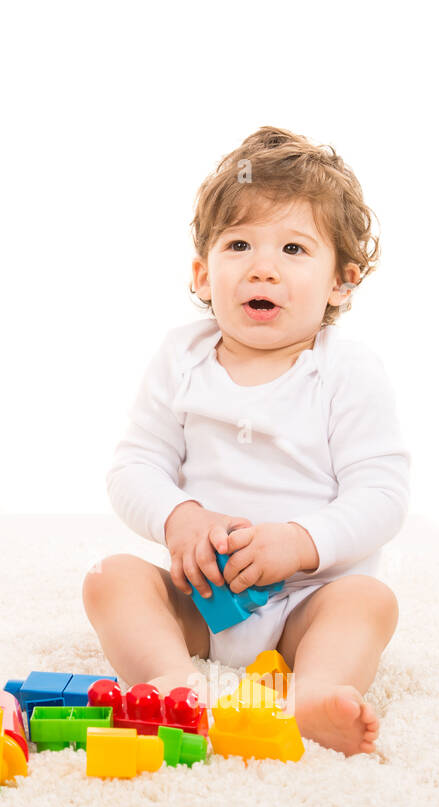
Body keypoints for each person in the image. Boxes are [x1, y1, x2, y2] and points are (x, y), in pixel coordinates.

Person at [82, 127, 410, 756]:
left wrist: (302, 544)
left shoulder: (346, 370)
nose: (263, 267)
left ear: (342, 281)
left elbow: (382, 494)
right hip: (198, 595)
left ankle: (315, 692)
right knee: (110, 578)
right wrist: (180, 518)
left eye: (293, 248)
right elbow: (135, 466)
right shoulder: (181, 356)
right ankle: (170, 683)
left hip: (307, 599)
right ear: (204, 274)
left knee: (369, 601)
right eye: (239, 245)